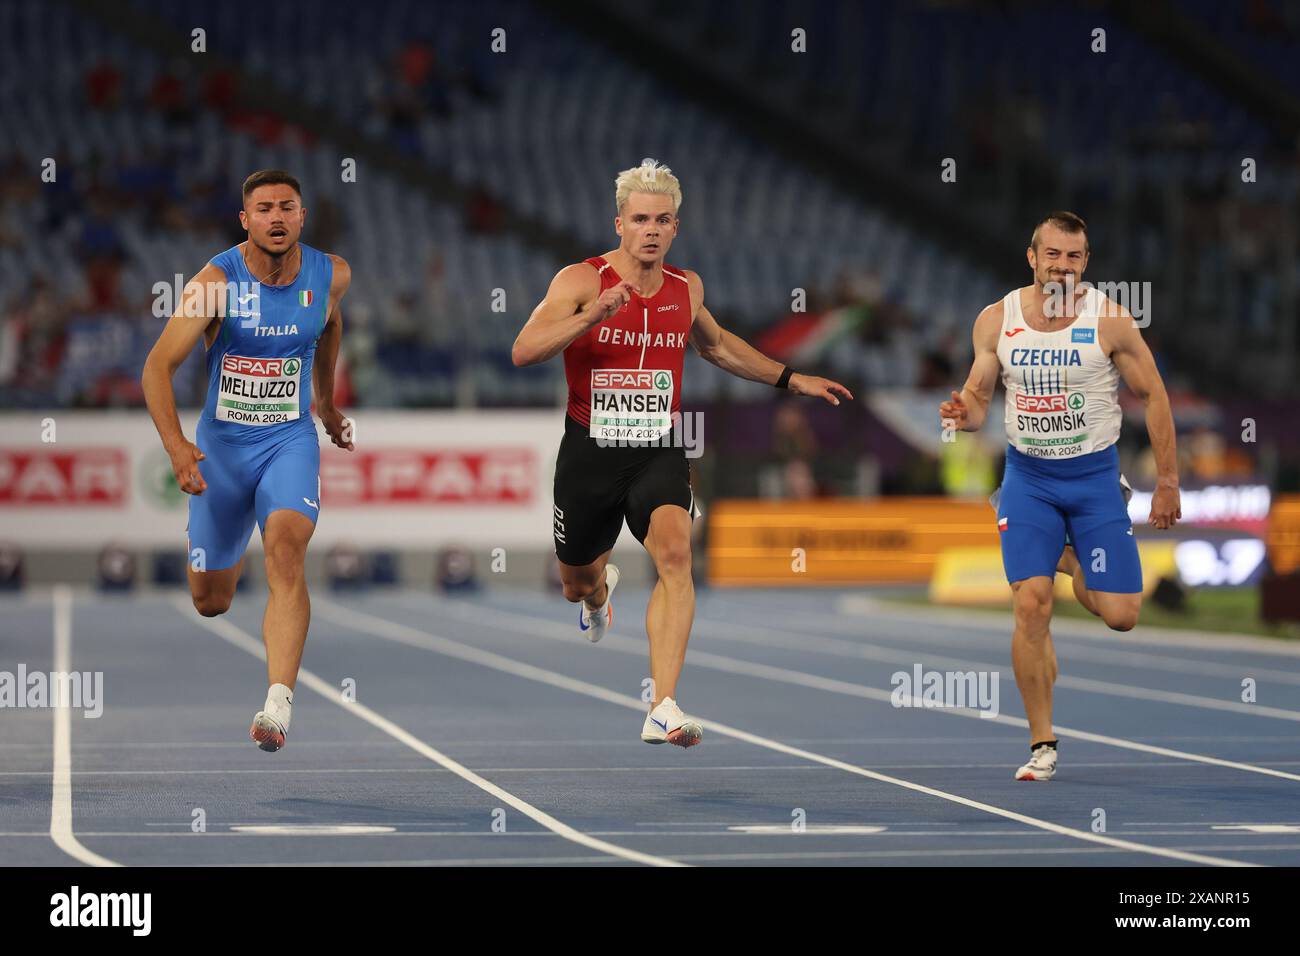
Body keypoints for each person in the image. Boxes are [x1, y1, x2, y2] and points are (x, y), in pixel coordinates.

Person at [513, 159, 852, 747]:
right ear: (619, 223)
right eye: (640, 218)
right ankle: (598, 594)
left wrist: (791, 379)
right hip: (590, 450)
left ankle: (662, 704)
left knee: (675, 554)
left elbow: (719, 348)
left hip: (659, 445)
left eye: (662, 220)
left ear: (675, 228)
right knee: (575, 581)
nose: (650, 229)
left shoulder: (685, 288)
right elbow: (524, 350)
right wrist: (591, 316)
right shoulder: (580, 281)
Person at [940, 211, 1180, 781]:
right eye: (1053, 255)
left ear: (1086, 263)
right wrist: (963, 415)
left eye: (1074, 257)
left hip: (1095, 482)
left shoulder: (1111, 322)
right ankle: (1041, 743)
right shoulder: (996, 320)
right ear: (1033, 257)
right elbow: (977, 397)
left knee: (1121, 614)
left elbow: (1155, 395)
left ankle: (1064, 558)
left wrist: (1167, 481)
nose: (1062, 267)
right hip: (1029, 481)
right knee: (1031, 605)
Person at [142, 169, 353, 753]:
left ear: (302, 216)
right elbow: (156, 368)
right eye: (264, 209)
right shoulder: (215, 283)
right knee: (211, 600)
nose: (277, 218)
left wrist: (327, 406)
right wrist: (178, 447)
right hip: (223, 451)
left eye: (288, 207)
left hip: (289, 440)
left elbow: (330, 324)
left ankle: (277, 703)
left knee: (287, 549)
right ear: (246, 220)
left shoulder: (331, 274)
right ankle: (214, 541)